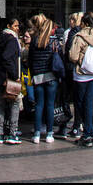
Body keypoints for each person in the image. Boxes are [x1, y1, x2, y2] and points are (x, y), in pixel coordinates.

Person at [67, 13, 93, 147]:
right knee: (89, 102)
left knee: (80, 103)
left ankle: (88, 133)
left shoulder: (80, 37)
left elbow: (72, 56)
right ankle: (91, 133)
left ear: (84, 24)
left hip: (81, 74)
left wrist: (81, 60)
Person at [26, 14, 60, 144]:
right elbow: (59, 58)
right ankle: (49, 133)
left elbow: (30, 59)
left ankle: (36, 133)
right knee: (50, 105)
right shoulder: (53, 41)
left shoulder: (35, 41)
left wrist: (34, 73)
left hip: (38, 76)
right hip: (51, 76)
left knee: (39, 105)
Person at [0, 15, 22, 144]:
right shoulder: (12, 40)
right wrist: (15, 76)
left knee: (0, 105)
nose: (18, 28)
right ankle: (12, 134)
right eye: (15, 25)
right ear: (9, 26)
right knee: (14, 103)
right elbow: (8, 58)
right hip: (9, 77)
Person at [55, 11, 83, 140]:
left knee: (65, 98)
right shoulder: (86, 33)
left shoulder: (70, 32)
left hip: (69, 68)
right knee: (78, 99)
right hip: (81, 70)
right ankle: (78, 125)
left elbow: (67, 52)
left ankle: (64, 124)